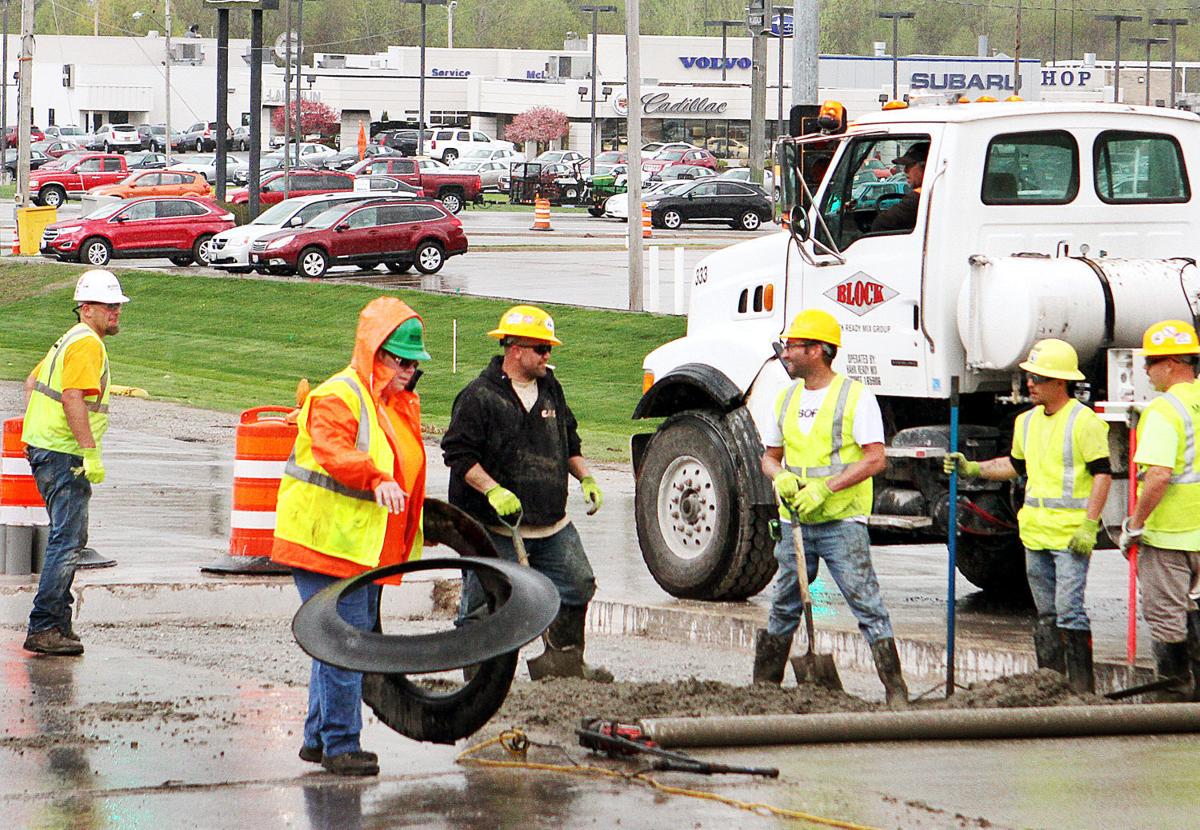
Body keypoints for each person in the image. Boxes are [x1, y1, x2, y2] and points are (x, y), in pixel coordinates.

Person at [271, 297, 429, 776]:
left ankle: (319, 738)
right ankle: (341, 744)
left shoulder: (391, 403)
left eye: (413, 363)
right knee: (346, 646)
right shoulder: (341, 395)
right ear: (375, 352)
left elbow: (404, 469)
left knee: (333, 644)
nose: (408, 370)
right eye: (400, 360)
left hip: (354, 545)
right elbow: (333, 451)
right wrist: (376, 478)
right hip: (326, 544)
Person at [442, 304, 609, 681]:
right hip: (494, 526)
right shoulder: (479, 396)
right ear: (514, 348)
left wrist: (586, 478)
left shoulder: (551, 388)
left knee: (577, 583)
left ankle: (564, 663)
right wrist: (493, 490)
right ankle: (481, 680)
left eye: (548, 349)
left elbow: (570, 439)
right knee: (486, 602)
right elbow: (458, 454)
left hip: (551, 523)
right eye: (541, 349)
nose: (547, 356)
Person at [755, 309, 908, 707]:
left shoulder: (856, 397)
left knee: (866, 603)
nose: (785, 353)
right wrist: (779, 476)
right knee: (784, 604)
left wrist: (826, 488)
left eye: (793, 346)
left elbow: (876, 458)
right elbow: (768, 458)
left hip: (841, 522)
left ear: (819, 350)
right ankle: (762, 689)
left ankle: (896, 692)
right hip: (796, 523)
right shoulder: (785, 398)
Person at [945, 339, 1111, 693]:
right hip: (1035, 535)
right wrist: (973, 468)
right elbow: (1015, 466)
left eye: (1037, 377)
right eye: (1029, 376)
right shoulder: (1026, 422)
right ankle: (1051, 686)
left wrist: (1089, 524)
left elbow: (1102, 474)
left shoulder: (1084, 422)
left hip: (1070, 537)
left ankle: (1081, 691)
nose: (1029, 383)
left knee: (1070, 612)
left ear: (1060, 382)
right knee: (1047, 614)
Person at [20, 270, 129, 657]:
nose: (116, 311)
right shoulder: (87, 344)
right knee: (67, 541)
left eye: (117, 305)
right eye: (109, 305)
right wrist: (89, 450)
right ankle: (46, 625)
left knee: (67, 538)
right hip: (64, 453)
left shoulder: (69, 339)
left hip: (46, 448)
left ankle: (58, 624)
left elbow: (33, 384)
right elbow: (71, 398)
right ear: (86, 308)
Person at [1118, 320, 1200, 701]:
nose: (1147, 371)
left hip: (1169, 537)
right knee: (1195, 611)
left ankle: (1173, 699)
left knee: (1167, 620)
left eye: (1151, 363)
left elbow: (1159, 476)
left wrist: (1134, 525)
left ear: (1170, 364)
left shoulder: (1164, 410)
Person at [871, 142, 927, 233]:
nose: (905, 171)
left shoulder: (916, 199)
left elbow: (879, 225)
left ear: (925, 167)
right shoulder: (936, 195)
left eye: (910, 165)